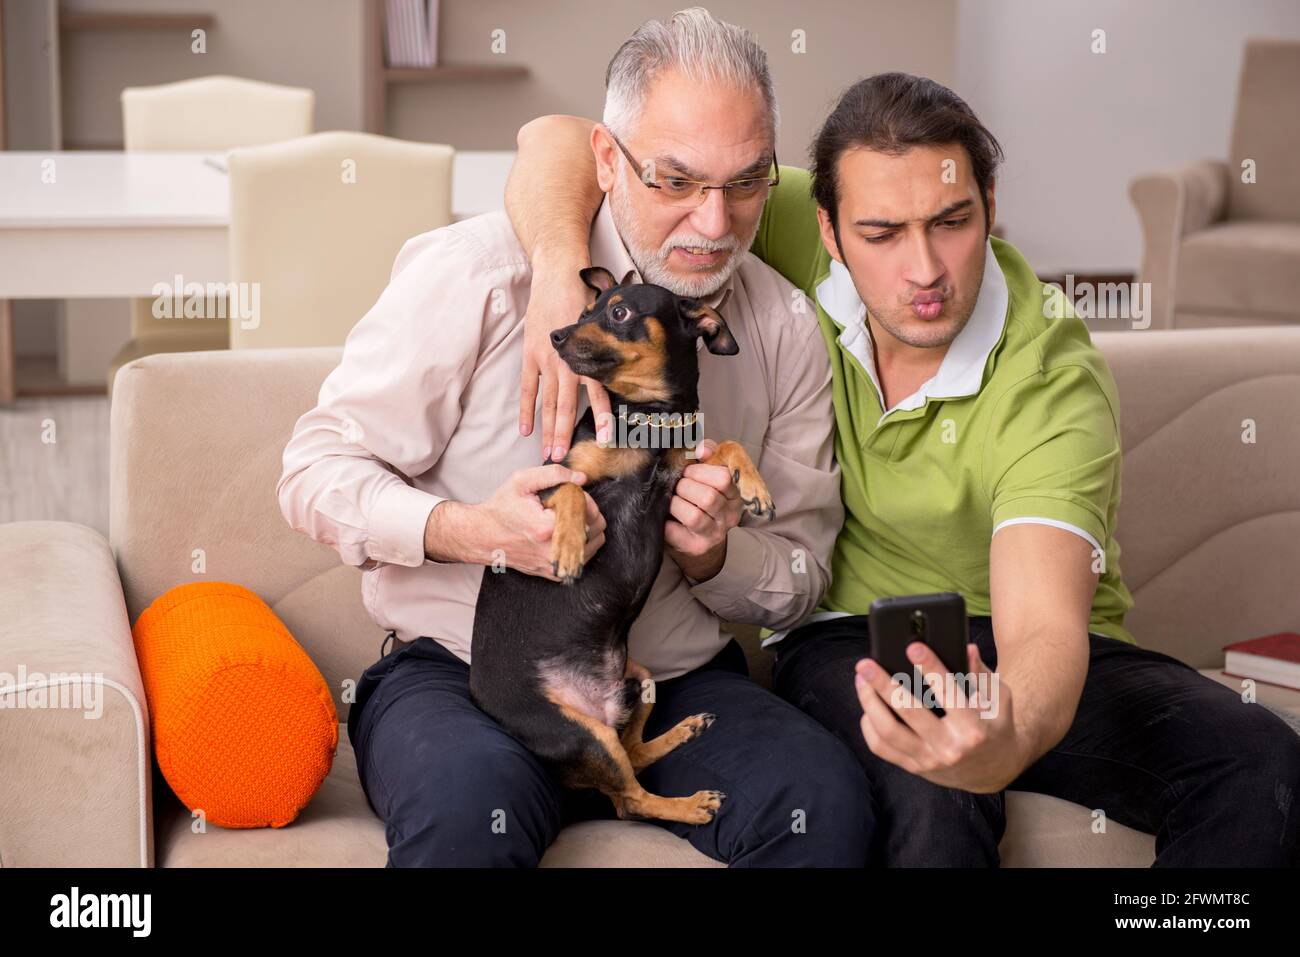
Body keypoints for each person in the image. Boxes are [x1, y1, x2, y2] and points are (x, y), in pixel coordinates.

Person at [508, 67, 1300, 865]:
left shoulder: (1051, 373)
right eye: (882, 235)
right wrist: (556, 269)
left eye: (952, 222)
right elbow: (558, 140)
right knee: (930, 784)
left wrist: (1005, 734)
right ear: (828, 230)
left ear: (991, 207)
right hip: (846, 636)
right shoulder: (773, 218)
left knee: (1261, 759)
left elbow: (1042, 630)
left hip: (1026, 652)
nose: (923, 270)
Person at [277, 7, 872, 867]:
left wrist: (718, 557)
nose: (714, 223)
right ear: (606, 160)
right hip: (463, 675)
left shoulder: (781, 327)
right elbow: (313, 468)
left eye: (747, 183)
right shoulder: (482, 276)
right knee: (461, 818)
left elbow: (803, 577)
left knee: (824, 804)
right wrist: (465, 529)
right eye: (675, 181)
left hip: (671, 684)